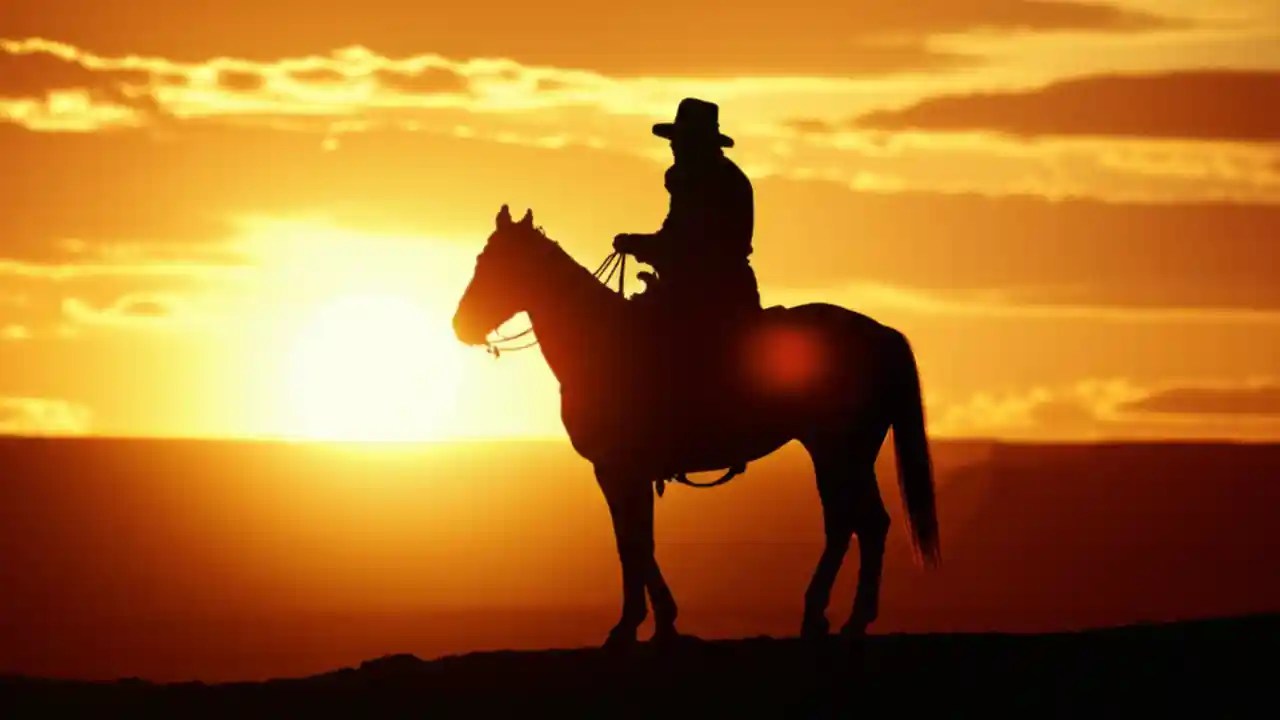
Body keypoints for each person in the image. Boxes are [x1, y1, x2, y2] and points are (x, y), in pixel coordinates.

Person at [613, 97, 761, 347]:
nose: (674, 147)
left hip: (709, 291)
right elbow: (676, 232)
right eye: (674, 141)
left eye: (680, 141)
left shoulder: (708, 180)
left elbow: (688, 241)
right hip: (716, 285)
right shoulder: (712, 175)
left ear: (696, 144)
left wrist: (639, 245)